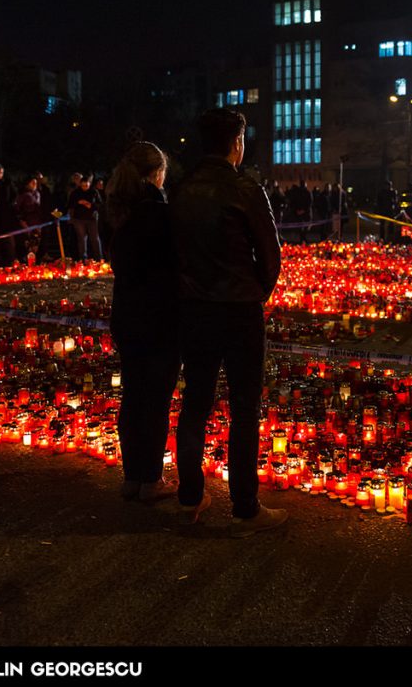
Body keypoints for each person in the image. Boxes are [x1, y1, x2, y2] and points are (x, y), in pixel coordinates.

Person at [170, 108, 286, 536]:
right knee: (243, 409)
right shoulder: (244, 188)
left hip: (194, 309)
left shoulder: (181, 191)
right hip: (238, 310)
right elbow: (270, 255)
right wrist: (255, 290)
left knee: (195, 404)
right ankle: (244, 507)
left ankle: (189, 497)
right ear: (237, 142)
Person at [106, 142, 182, 503]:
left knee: (133, 395)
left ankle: (131, 477)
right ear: (157, 173)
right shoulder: (156, 211)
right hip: (159, 317)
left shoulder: (114, 211)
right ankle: (151, 480)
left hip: (126, 312)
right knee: (155, 399)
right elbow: (172, 264)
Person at [67, 175, 103, 259]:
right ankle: (83, 259)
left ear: (89, 184)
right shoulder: (75, 193)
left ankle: (99, 258)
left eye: (86, 185)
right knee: (82, 239)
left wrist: (91, 205)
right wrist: (78, 203)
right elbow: (70, 205)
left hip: (92, 219)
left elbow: (100, 204)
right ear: (80, 185)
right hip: (79, 219)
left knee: (95, 239)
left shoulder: (94, 192)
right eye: (82, 185)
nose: (84, 187)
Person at [0, 165, 18, 264]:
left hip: (7, 212)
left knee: (8, 236)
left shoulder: (7, 182)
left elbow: (14, 194)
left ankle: (10, 258)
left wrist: (11, 204)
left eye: (1, 173)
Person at [15, 176, 43, 260]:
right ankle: (25, 262)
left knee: (36, 242)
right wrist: (22, 220)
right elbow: (17, 208)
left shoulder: (37, 194)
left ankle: (34, 262)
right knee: (27, 243)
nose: (35, 184)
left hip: (37, 222)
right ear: (27, 184)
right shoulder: (23, 194)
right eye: (32, 182)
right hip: (27, 222)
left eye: (36, 183)